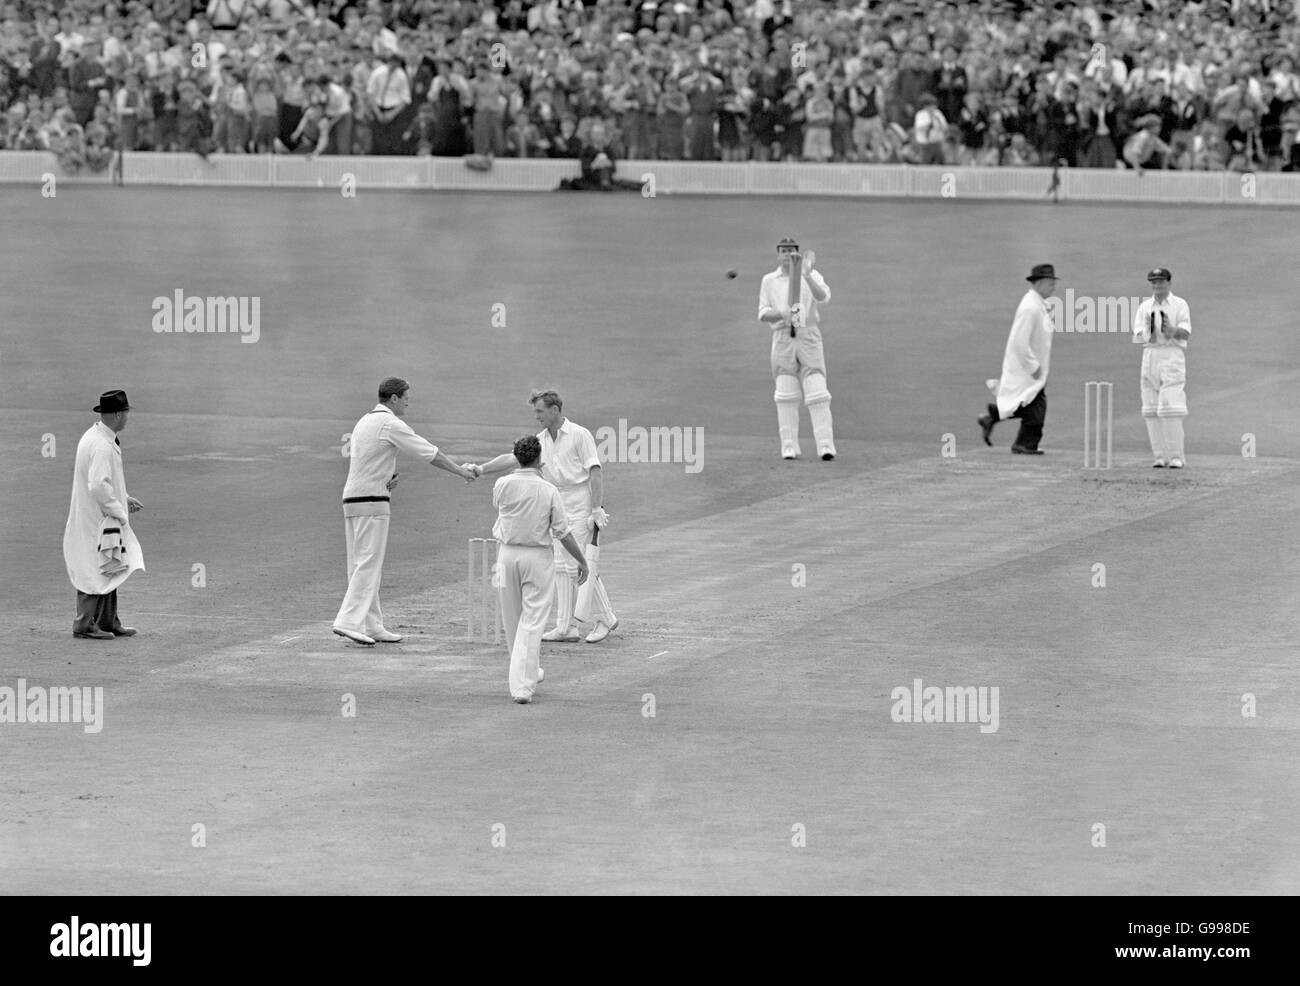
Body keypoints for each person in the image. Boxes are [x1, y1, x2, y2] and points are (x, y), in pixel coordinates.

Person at [332, 377, 476, 646]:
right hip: (372, 501)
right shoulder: (390, 423)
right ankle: (348, 621)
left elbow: (368, 460)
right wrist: (460, 471)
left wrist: (387, 476)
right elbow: (429, 453)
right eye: (406, 396)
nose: (409, 401)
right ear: (394, 398)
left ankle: (372, 625)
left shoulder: (365, 420)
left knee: (361, 562)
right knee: (368, 564)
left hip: (354, 499)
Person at [469, 391, 618, 643]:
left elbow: (595, 471)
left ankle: (606, 618)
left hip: (580, 502)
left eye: (539, 411)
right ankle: (565, 627)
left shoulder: (580, 434)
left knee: (578, 563)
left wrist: (595, 509)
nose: (536, 416)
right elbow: (513, 457)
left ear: (555, 410)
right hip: (555, 500)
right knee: (561, 565)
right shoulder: (541, 439)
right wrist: (482, 469)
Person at [490, 435, 590, 704]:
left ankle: (528, 672)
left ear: (517, 457)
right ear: (539, 459)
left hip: (506, 555)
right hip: (536, 557)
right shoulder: (548, 490)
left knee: (513, 620)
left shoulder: (501, 484)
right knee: (531, 622)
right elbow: (563, 533)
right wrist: (582, 560)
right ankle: (522, 686)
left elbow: (500, 508)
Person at [63, 390, 145, 640]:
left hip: (98, 514)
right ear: (118, 414)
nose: (128, 417)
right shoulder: (101, 444)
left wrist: (124, 497)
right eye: (127, 412)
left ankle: (108, 621)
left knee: (112, 562)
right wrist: (118, 510)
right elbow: (98, 485)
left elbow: (105, 480)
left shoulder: (98, 435)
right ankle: (84, 624)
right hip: (96, 517)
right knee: (94, 566)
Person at [757, 237, 835, 460]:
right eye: (783, 251)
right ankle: (789, 446)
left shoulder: (811, 273)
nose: (787, 254)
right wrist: (783, 314)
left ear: (797, 253)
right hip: (783, 336)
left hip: (808, 335)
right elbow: (762, 313)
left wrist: (808, 275)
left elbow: (824, 297)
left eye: (791, 251)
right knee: (785, 394)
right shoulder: (769, 280)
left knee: (818, 392)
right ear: (777, 254)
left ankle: (825, 446)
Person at [977, 264, 1058, 455]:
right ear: (1038, 283)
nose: (1053, 287)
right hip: (1027, 369)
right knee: (1036, 409)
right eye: (1049, 283)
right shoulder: (1031, 307)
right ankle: (1024, 444)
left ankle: (993, 417)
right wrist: (1033, 367)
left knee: (1028, 405)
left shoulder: (1037, 304)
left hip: (1032, 368)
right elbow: (1019, 342)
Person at [1131, 268, 1192, 468]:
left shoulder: (1179, 304)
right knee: (1150, 409)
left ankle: (1176, 457)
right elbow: (1139, 335)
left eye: (1161, 282)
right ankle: (1159, 456)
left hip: (1171, 355)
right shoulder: (1144, 307)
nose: (1157, 286)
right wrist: (1149, 332)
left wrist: (1171, 330)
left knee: (1170, 407)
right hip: (1150, 356)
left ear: (1169, 283)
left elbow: (1186, 333)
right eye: (1154, 282)